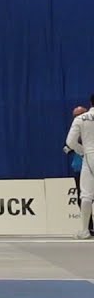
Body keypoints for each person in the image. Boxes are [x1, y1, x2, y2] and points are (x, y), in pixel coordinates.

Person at [66, 98, 94, 240]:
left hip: (89, 157)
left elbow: (70, 142)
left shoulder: (81, 119)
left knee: (86, 195)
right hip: (87, 156)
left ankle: (85, 231)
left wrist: (83, 151)